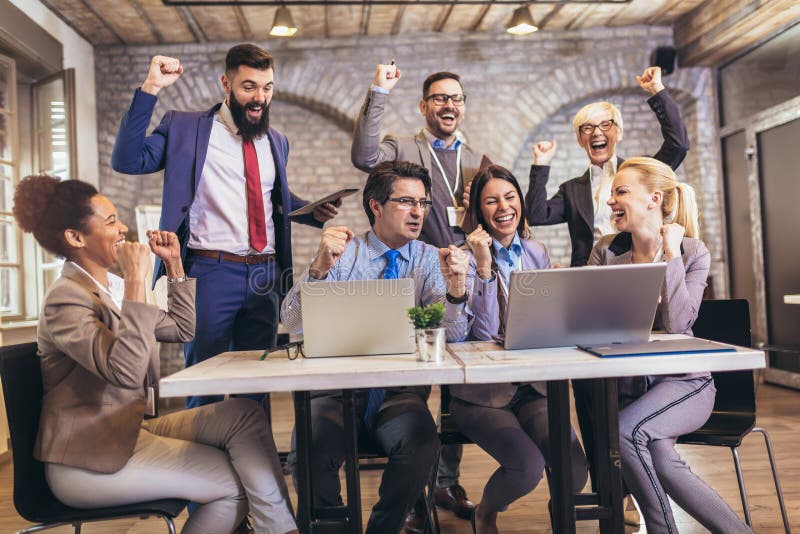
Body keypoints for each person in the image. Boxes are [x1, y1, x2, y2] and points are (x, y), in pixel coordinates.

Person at [12, 175, 298, 534]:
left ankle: (282, 530)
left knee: (243, 414)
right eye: (111, 221)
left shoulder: (108, 289)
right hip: (87, 463)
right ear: (75, 237)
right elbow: (126, 372)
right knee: (233, 485)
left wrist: (175, 264)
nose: (123, 229)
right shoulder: (65, 299)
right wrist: (135, 278)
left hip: (128, 434)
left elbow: (181, 329)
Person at [111, 44, 338, 409]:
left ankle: (256, 465)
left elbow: (269, 199)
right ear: (226, 84)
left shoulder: (276, 141)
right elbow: (127, 159)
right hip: (209, 272)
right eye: (249, 86)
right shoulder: (185, 128)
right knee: (205, 381)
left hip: (265, 275)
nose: (259, 98)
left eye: (267, 88)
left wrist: (313, 211)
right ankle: (204, 466)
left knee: (257, 384)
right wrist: (151, 87)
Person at [521, 67, 691, 516]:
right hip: (589, 296)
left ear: (616, 132)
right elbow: (536, 212)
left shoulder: (640, 176)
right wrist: (540, 163)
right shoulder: (574, 188)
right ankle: (609, 494)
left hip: (642, 282)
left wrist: (656, 92)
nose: (596, 133)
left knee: (632, 396)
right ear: (580, 140)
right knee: (591, 401)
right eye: (587, 129)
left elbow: (678, 147)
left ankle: (639, 483)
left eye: (604, 125)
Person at [281, 160, 471, 534]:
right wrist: (318, 270)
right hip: (336, 393)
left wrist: (456, 290)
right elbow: (291, 322)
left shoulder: (432, 260)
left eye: (423, 203)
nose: (418, 212)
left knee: (422, 446)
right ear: (376, 206)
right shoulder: (342, 254)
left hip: (398, 396)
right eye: (406, 202)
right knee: (307, 453)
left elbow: (454, 336)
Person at [589, 157, 751, 534]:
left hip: (685, 383)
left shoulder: (693, 253)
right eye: (612, 193)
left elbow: (679, 324)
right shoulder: (605, 252)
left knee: (625, 431)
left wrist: (672, 254)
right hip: (632, 386)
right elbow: (592, 320)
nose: (612, 201)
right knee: (660, 457)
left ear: (654, 199)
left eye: (621, 192)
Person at [351, 62, 482, 525]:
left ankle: (444, 483)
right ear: (425, 106)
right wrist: (379, 91)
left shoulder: (476, 155)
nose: (449, 105)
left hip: (456, 267)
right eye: (440, 98)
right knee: (415, 384)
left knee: (455, 391)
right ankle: (416, 493)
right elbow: (365, 156)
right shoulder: (404, 148)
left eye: (457, 98)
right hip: (415, 261)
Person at [452, 164, 587, 533]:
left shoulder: (535, 251)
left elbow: (541, 322)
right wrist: (482, 268)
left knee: (574, 466)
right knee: (527, 466)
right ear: (478, 212)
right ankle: (486, 511)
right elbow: (483, 332)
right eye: (491, 201)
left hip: (533, 386)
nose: (503, 207)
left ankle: (559, 517)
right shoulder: (461, 258)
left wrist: (559, 297)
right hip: (481, 393)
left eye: (510, 197)